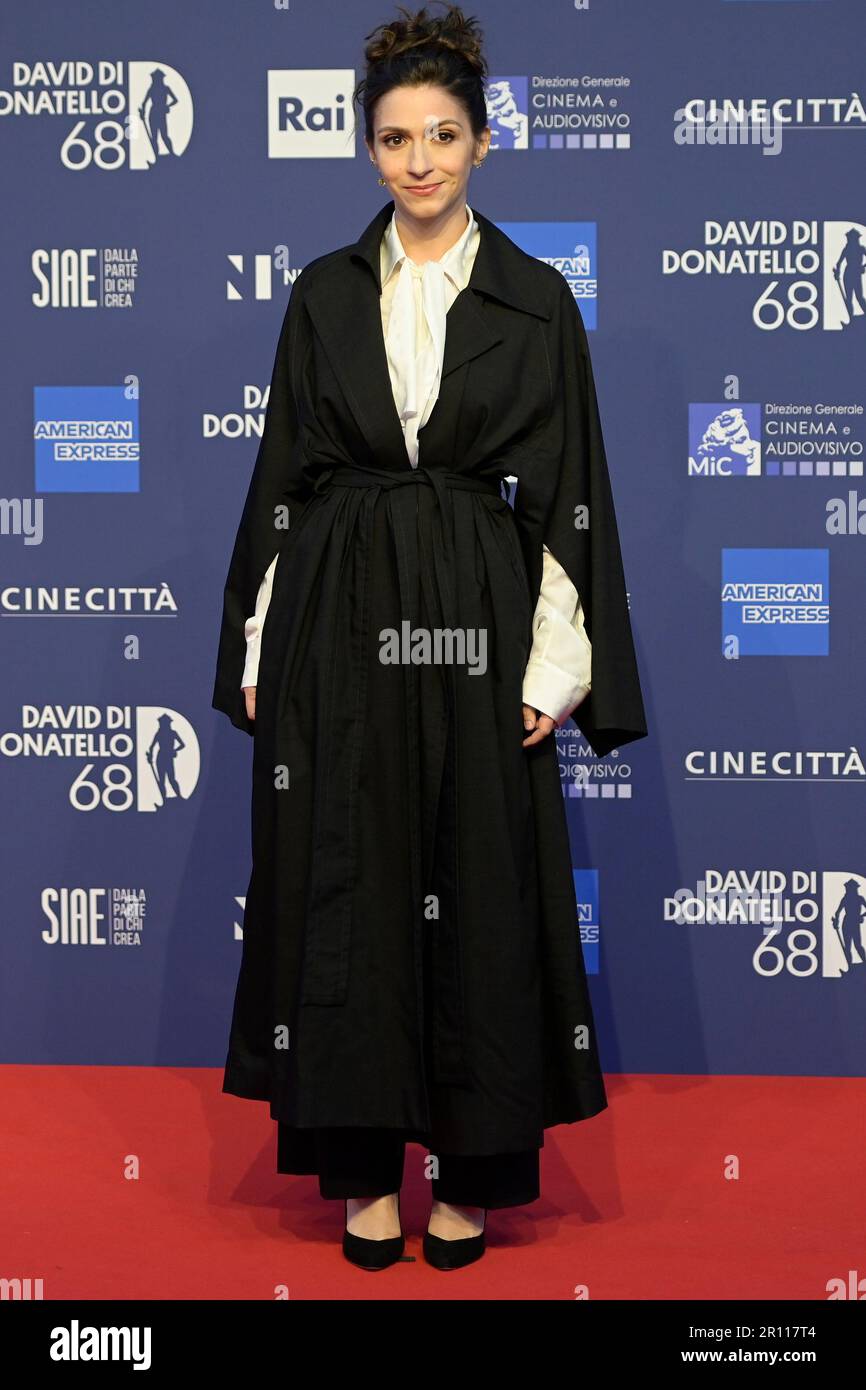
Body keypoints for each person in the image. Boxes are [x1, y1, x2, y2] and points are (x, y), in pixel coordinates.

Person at [212, 1, 648, 1272]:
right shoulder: (320, 297)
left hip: (472, 614)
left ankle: (470, 1168)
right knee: (345, 878)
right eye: (395, 138)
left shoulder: (536, 300)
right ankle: (360, 1170)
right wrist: (255, 649)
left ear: (481, 140)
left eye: (442, 134)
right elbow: (283, 482)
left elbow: (571, 494)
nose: (419, 161)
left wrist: (556, 668)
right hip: (338, 617)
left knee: (478, 881)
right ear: (366, 148)